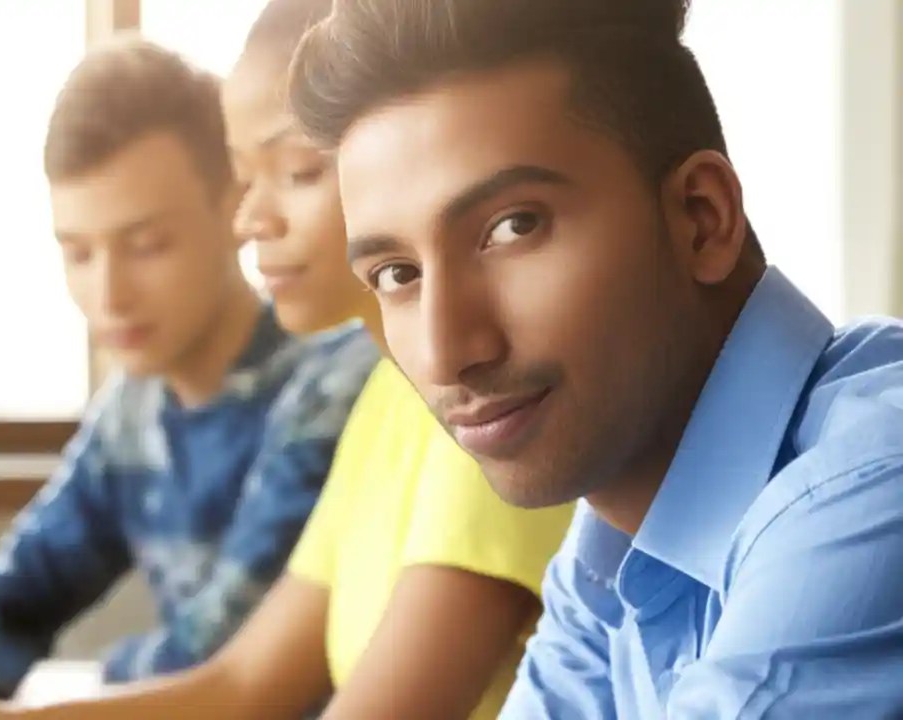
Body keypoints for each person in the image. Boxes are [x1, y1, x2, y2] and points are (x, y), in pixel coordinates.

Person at [0, 2, 574, 718]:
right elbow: (242, 684)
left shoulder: (472, 406)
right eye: (76, 252)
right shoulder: (386, 398)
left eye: (296, 170)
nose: (249, 220)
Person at [283, 0, 903, 717]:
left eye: (513, 228)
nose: (447, 351)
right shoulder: (613, 543)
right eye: (397, 274)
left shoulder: (870, 493)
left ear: (703, 219)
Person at [0, 36, 379, 720]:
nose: (108, 293)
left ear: (234, 206)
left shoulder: (333, 383)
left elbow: (216, 658)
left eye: (146, 245)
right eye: (77, 252)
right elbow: (16, 590)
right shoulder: (131, 414)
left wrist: (81, 680)